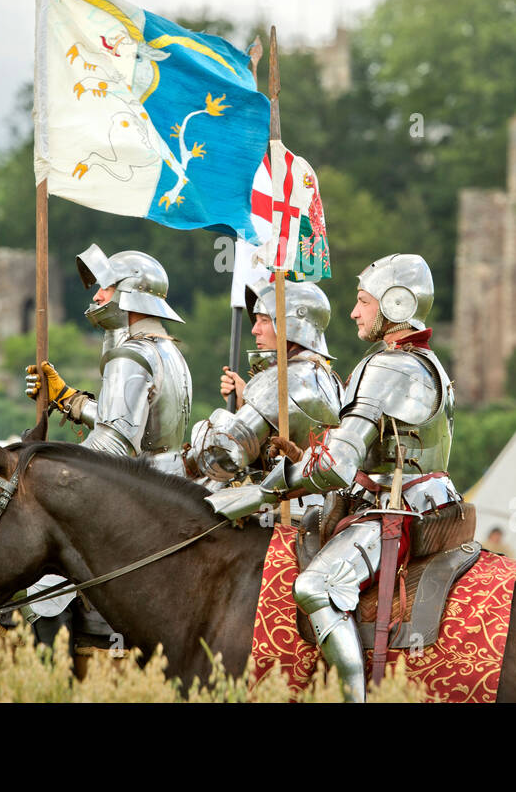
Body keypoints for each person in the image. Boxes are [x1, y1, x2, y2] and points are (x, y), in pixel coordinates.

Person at [206, 254, 458, 702]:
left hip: (398, 508)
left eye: (363, 302)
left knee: (315, 586)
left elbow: (336, 465)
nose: (354, 312)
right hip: (413, 498)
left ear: (395, 304)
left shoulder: (392, 366)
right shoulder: (414, 360)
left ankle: (354, 697)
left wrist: (254, 496)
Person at [23, 244, 192, 646]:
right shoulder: (165, 349)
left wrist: (48, 468)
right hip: (164, 482)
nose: (97, 296)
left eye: (105, 288)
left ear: (129, 292)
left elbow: (114, 445)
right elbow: (127, 420)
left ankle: (49, 666)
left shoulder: (131, 356)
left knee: (43, 570)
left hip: (137, 492)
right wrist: (69, 400)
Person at [153, 278, 341, 488]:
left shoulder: (286, 377)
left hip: (279, 507)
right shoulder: (327, 377)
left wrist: (151, 471)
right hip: (309, 503)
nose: (255, 330)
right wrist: (247, 403)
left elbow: (222, 453)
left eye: (264, 320)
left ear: (292, 326)